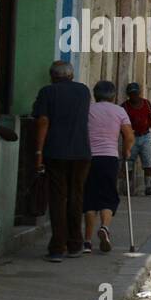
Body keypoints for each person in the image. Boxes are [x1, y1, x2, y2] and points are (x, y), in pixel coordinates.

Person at [33, 60, 93, 262]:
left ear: (52, 76)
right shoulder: (84, 91)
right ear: (71, 75)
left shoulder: (47, 92)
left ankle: (58, 247)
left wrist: (38, 152)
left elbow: (43, 121)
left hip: (55, 151)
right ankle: (75, 243)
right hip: (81, 152)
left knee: (58, 199)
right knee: (76, 196)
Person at [83, 80, 134, 253]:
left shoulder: (88, 109)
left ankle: (87, 242)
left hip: (89, 158)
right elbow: (129, 135)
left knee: (89, 198)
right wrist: (127, 151)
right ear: (113, 95)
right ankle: (105, 227)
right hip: (109, 158)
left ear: (95, 94)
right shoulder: (120, 111)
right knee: (108, 196)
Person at [122, 83, 151, 194]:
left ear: (139, 93)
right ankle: (128, 188)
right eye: (131, 94)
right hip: (132, 137)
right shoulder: (124, 106)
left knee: (148, 162)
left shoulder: (146, 104)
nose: (134, 96)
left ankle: (148, 186)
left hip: (145, 136)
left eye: (135, 94)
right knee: (129, 163)